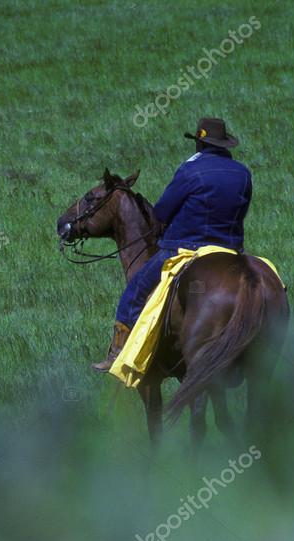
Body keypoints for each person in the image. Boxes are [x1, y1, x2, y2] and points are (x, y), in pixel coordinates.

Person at [94, 117, 253, 371]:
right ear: (224, 145)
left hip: (185, 246)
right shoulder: (243, 173)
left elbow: (162, 211)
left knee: (134, 291)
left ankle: (117, 353)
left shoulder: (190, 171)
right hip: (231, 249)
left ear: (200, 144)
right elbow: (242, 209)